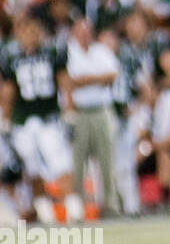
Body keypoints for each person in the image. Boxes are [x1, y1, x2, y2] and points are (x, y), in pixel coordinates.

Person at [1, 16, 75, 224]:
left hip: (48, 117)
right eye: (24, 31)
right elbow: (9, 91)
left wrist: (69, 112)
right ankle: (44, 211)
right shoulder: (11, 57)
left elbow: (65, 83)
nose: (29, 35)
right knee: (32, 166)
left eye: (32, 30)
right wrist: (6, 120)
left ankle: (72, 208)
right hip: (23, 120)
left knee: (59, 161)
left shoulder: (52, 53)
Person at [66, 17, 121, 215]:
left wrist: (85, 80)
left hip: (101, 109)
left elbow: (112, 76)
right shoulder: (68, 53)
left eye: (87, 32)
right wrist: (97, 79)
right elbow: (69, 81)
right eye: (81, 32)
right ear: (74, 34)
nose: (84, 36)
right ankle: (78, 206)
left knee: (106, 157)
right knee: (77, 159)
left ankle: (111, 204)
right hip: (79, 112)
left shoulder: (101, 51)